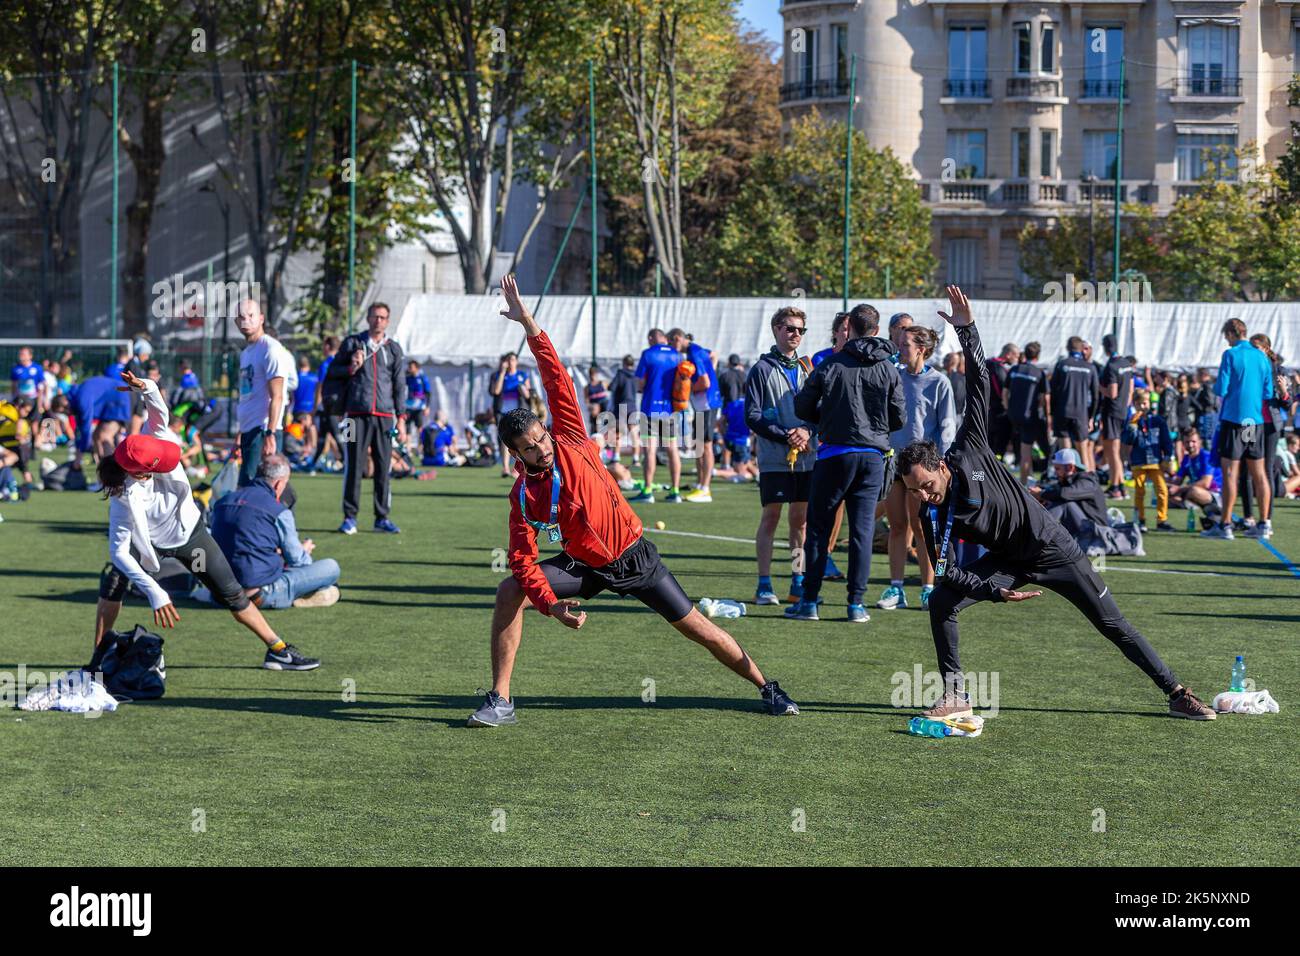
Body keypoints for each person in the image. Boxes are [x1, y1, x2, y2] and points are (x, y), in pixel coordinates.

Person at [466, 274, 799, 727]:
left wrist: (529, 325)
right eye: (529, 447)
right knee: (510, 591)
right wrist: (550, 604)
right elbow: (522, 560)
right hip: (584, 565)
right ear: (515, 454)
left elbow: (555, 376)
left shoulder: (571, 438)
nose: (541, 449)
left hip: (635, 558)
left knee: (698, 628)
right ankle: (500, 700)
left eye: (541, 438)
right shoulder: (523, 494)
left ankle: (766, 686)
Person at [897, 285, 1215, 721]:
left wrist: (967, 330)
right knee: (941, 601)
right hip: (1007, 561)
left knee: (1111, 624)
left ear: (940, 466)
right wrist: (993, 591)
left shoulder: (969, 450)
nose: (922, 495)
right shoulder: (929, 511)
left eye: (925, 485)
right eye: (913, 490)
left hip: (1051, 547)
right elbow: (946, 569)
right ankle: (956, 694)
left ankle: (1177, 693)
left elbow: (978, 384)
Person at [91, 370, 320, 671]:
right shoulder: (124, 496)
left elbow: (158, 411)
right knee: (113, 581)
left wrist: (146, 387)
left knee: (231, 592)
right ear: (141, 472)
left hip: (190, 538)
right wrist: (154, 591)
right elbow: (119, 551)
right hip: (149, 543)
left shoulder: (152, 438)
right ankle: (98, 659)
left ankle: (278, 650)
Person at [785, 303, 904, 623]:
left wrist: (828, 417)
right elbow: (899, 418)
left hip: (835, 454)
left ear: (848, 328)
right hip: (872, 456)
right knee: (862, 532)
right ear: (876, 330)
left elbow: (802, 406)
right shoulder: (888, 368)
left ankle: (810, 602)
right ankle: (856, 604)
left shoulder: (832, 364)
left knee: (819, 530)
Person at [877, 324, 955, 613]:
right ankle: (896, 588)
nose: (899, 348)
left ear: (921, 349)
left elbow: (947, 426)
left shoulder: (939, 381)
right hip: (893, 462)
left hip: (922, 469)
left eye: (905, 344)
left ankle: (928, 590)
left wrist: (940, 466)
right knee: (897, 527)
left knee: (921, 529)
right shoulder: (894, 376)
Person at [744, 307, 818, 605]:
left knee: (800, 521)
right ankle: (764, 583)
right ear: (776, 329)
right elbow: (752, 415)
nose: (795, 334)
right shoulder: (761, 369)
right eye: (789, 328)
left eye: (800, 330)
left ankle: (798, 579)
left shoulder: (808, 367)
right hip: (775, 458)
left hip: (807, 458)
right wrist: (787, 434)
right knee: (771, 517)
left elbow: (821, 410)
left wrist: (808, 431)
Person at [210, 455, 341, 610]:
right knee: (331, 567)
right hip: (259, 593)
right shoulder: (278, 511)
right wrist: (304, 550)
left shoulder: (222, 502)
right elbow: (297, 560)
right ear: (279, 484)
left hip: (219, 594)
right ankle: (310, 594)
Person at [329, 302, 407, 534]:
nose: (378, 321)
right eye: (374, 316)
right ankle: (349, 517)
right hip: (354, 415)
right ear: (368, 318)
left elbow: (399, 385)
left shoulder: (393, 349)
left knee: (383, 467)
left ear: (387, 321)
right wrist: (351, 367)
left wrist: (402, 418)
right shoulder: (352, 343)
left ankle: (381, 518)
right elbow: (332, 371)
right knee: (353, 465)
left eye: (382, 317)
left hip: (385, 416)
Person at [1202, 318, 1274, 540]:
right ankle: (1264, 524)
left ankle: (1225, 525)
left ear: (1232, 333)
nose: (1227, 341)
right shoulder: (1261, 356)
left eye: (1227, 336)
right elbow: (1268, 392)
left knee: (1230, 473)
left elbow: (1221, 389)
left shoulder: (1230, 354)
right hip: (1253, 421)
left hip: (1234, 420)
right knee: (1258, 473)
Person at [234, 298, 294, 486]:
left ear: (261, 318)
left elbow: (278, 396)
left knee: (259, 487)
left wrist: (270, 433)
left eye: (251, 315)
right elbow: (248, 396)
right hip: (249, 430)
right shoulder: (246, 353)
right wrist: (240, 432)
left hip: (263, 431)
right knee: (248, 486)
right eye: (241, 317)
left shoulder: (270, 349)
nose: (246, 320)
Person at [630, 329, 683, 504]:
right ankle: (675, 491)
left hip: (650, 408)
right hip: (670, 409)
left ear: (651, 338)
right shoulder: (677, 355)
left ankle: (648, 491)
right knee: (672, 449)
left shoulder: (648, 354)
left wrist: (644, 387)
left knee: (650, 450)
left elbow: (640, 382)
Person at [671, 329, 722, 503]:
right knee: (699, 444)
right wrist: (712, 370)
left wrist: (687, 389)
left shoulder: (693, 352)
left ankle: (705, 489)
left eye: (671, 344)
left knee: (706, 446)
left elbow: (705, 382)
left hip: (707, 403)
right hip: (703, 404)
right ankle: (700, 485)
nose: (672, 348)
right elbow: (714, 354)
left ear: (677, 339)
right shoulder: (697, 349)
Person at [1121, 388, 1175, 533]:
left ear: (1149, 403)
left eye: (1145, 403)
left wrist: (1168, 456)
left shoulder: (1158, 421)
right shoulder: (1131, 421)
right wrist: (1132, 426)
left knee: (1162, 490)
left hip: (1155, 462)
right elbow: (1127, 440)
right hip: (1138, 462)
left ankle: (1162, 520)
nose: (1142, 406)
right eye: (1139, 404)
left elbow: (1166, 440)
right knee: (1140, 492)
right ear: (1134, 404)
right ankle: (1140, 520)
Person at [1049, 336, 1099, 472]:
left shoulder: (1062, 365)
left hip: (1062, 412)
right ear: (1082, 349)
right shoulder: (1090, 367)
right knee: (1083, 452)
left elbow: (1053, 391)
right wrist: (1091, 416)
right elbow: (1096, 396)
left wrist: (1052, 413)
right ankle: (1087, 481)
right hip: (1081, 414)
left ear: (1067, 348)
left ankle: (1066, 481)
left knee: (1065, 453)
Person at [1030, 447, 1109, 533]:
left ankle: (1035, 532)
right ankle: (1033, 530)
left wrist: (1041, 494)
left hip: (1097, 533)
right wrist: (1044, 498)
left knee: (1065, 503)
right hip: (1084, 530)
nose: (1055, 473)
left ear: (1070, 467)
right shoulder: (1069, 481)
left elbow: (1064, 494)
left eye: (1057, 469)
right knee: (1056, 500)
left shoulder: (1088, 481)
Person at [1007, 342, 1052, 484]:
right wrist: (1048, 415)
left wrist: (1008, 408)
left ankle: (1029, 478)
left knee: (1025, 448)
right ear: (1037, 356)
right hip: (1031, 417)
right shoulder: (1039, 373)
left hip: (1014, 416)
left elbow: (1004, 392)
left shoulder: (1014, 370)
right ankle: (1025, 483)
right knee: (1029, 450)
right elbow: (1045, 398)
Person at [1097, 334, 1136, 499]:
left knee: (1112, 452)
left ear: (1105, 347)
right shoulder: (1126, 363)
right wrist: (1124, 406)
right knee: (1115, 451)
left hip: (1111, 412)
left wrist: (1098, 386)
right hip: (1122, 411)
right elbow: (1131, 389)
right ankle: (1120, 486)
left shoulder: (1111, 366)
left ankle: (1115, 487)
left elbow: (1112, 393)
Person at [1168, 428, 1223, 525]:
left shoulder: (1206, 456)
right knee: (1166, 491)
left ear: (1200, 442)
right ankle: (1188, 504)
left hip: (1216, 494)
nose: (1190, 445)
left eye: (1193, 442)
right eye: (1187, 442)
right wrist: (1164, 483)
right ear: (1183, 444)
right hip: (1196, 492)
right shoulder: (1186, 459)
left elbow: (1206, 483)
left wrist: (1179, 489)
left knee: (1193, 491)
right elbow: (1177, 481)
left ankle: (1218, 511)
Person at [490, 351, 531, 478]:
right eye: (508, 360)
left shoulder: (522, 375)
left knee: (519, 440)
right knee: (505, 440)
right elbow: (496, 391)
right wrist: (502, 372)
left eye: (512, 360)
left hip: (519, 413)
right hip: (503, 413)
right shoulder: (498, 375)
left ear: (516, 362)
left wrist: (523, 389)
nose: (510, 362)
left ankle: (517, 468)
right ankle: (505, 468)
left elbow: (528, 395)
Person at [309, 335, 345, 472]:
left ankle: (347, 462)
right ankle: (313, 463)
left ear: (328, 346)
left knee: (336, 434)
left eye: (324, 345)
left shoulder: (326, 364)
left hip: (329, 405)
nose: (322, 348)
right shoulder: (342, 362)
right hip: (339, 404)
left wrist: (315, 408)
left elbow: (320, 387)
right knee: (323, 435)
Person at [986, 343, 1020, 464]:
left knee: (993, 439)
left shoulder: (990, 364)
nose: (1017, 359)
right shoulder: (996, 366)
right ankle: (995, 463)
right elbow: (1000, 390)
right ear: (1009, 354)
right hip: (999, 411)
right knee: (1000, 439)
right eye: (1016, 356)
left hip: (990, 409)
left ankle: (993, 462)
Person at [607, 354, 641, 465]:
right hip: (632, 406)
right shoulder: (636, 375)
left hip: (621, 406)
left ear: (624, 363)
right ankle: (636, 458)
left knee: (618, 432)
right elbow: (639, 389)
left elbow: (611, 387)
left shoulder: (620, 374)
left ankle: (616, 457)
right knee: (634, 433)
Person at [585, 365, 609, 434]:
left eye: (594, 374)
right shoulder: (587, 387)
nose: (593, 377)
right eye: (591, 375)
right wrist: (591, 406)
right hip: (594, 408)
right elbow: (587, 400)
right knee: (594, 422)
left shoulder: (603, 383)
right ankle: (594, 434)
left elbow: (610, 393)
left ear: (597, 374)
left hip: (603, 406)